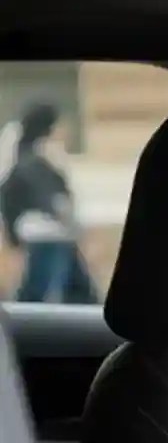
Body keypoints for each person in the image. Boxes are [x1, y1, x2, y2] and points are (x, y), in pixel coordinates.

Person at [0, 101, 97, 304]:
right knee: (37, 301)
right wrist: (77, 228)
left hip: (57, 239)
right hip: (48, 239)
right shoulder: (36, 162)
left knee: (79, 298)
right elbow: (53, 202)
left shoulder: (39, 159)